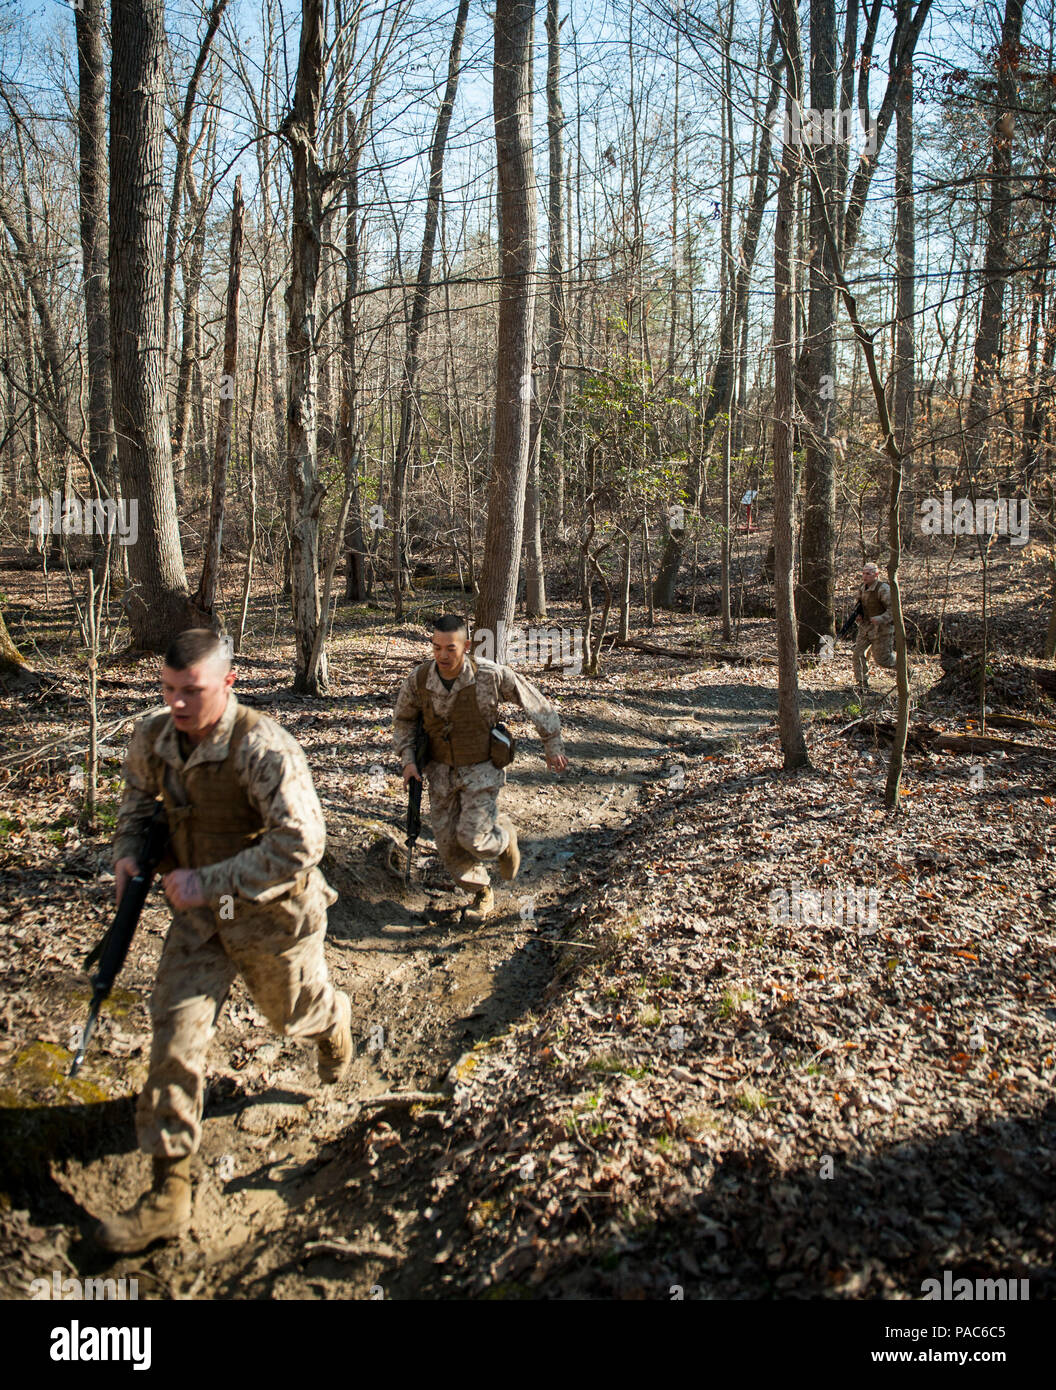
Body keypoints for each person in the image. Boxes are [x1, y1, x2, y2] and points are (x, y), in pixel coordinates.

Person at [96, 629, 351, 1254]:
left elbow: (301, 845)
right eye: (169, 689)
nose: (179, 703)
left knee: (291, 1015)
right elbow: (133, 806)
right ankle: (169, 1191)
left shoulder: (263, 746)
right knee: (174, 1035)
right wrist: (128, 855)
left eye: (193, 691)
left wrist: (206, 880)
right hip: (198, 922)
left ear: (228, 684)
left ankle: (334, 1021)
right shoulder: (152, 737)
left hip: (269, 916)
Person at [393, 614, 569, 923]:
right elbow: (403, 721)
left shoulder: (489, 675)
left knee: (474, 838)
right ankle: (481, 892)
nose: (443, 656)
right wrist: (408, 760)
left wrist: (551, 742)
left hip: (482, 768)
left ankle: (504, 840)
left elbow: (532, 699)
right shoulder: (419, 680)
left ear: (467, 646)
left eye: (451, 648)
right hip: (440, 773)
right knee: (447, 846)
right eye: (437, 648)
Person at [853, 561, 897, 689]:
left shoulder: (883, 589)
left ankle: (905, 669)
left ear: (876, 574)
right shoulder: (862, 588)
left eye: (868, 574)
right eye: (863, 573)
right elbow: (858, 605)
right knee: (858, 655)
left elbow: (894, 609)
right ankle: (862, 683)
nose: (865, 576)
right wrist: (858, 615)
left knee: (883, 660)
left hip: (882, 630)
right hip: (865, 628)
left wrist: (881, 618)